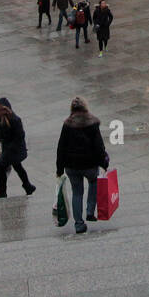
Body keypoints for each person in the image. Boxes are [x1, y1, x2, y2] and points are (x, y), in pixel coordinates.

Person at [55, 96, 109, 234]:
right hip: (90, 164)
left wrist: (59, 169)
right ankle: (90, 210)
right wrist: (104, 163)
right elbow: (99, 146)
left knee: (77, 193)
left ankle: (79, 224)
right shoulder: (92, 123)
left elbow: (61, 148)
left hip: (72, 166)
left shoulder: (67, 125)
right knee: (93, 182)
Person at [0, 98, 35, 198]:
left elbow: (20, 136)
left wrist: (9, 148)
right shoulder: (2, 119)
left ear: (4, 110)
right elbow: (0, 134)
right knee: (18, 167)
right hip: (9, 149)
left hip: (14, 150)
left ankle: (3, 192)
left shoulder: (15, 120)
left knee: (1, 167)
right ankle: (27, 186)